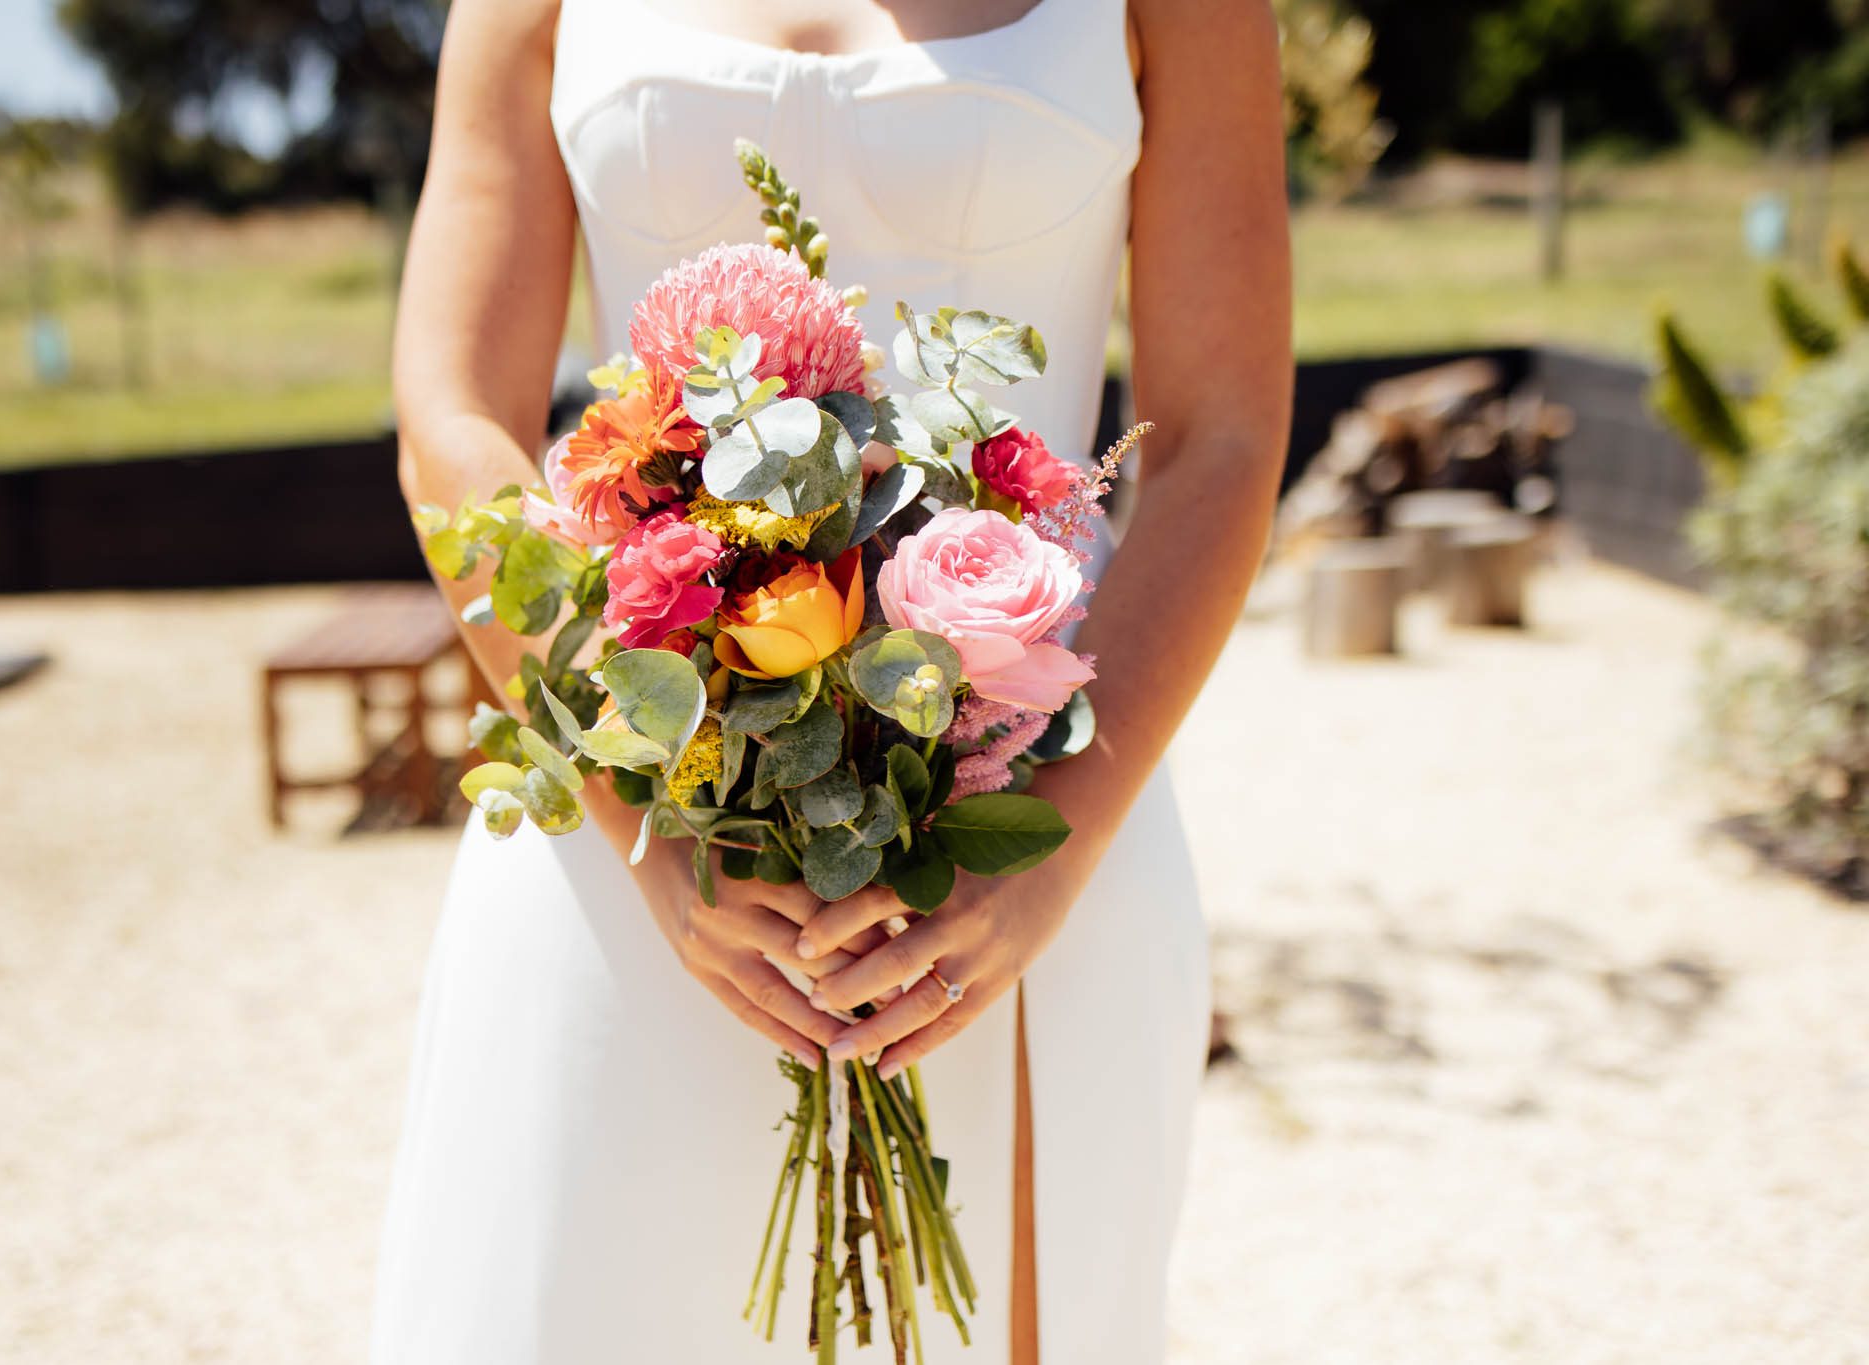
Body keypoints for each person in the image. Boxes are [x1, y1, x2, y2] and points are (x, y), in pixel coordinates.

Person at [372, 0, 1291, 1360]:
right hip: (636, 847)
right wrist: (649, 816)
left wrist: (1044, 855)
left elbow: (1222, 433)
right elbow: (452, 417)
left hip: (1029, 844)